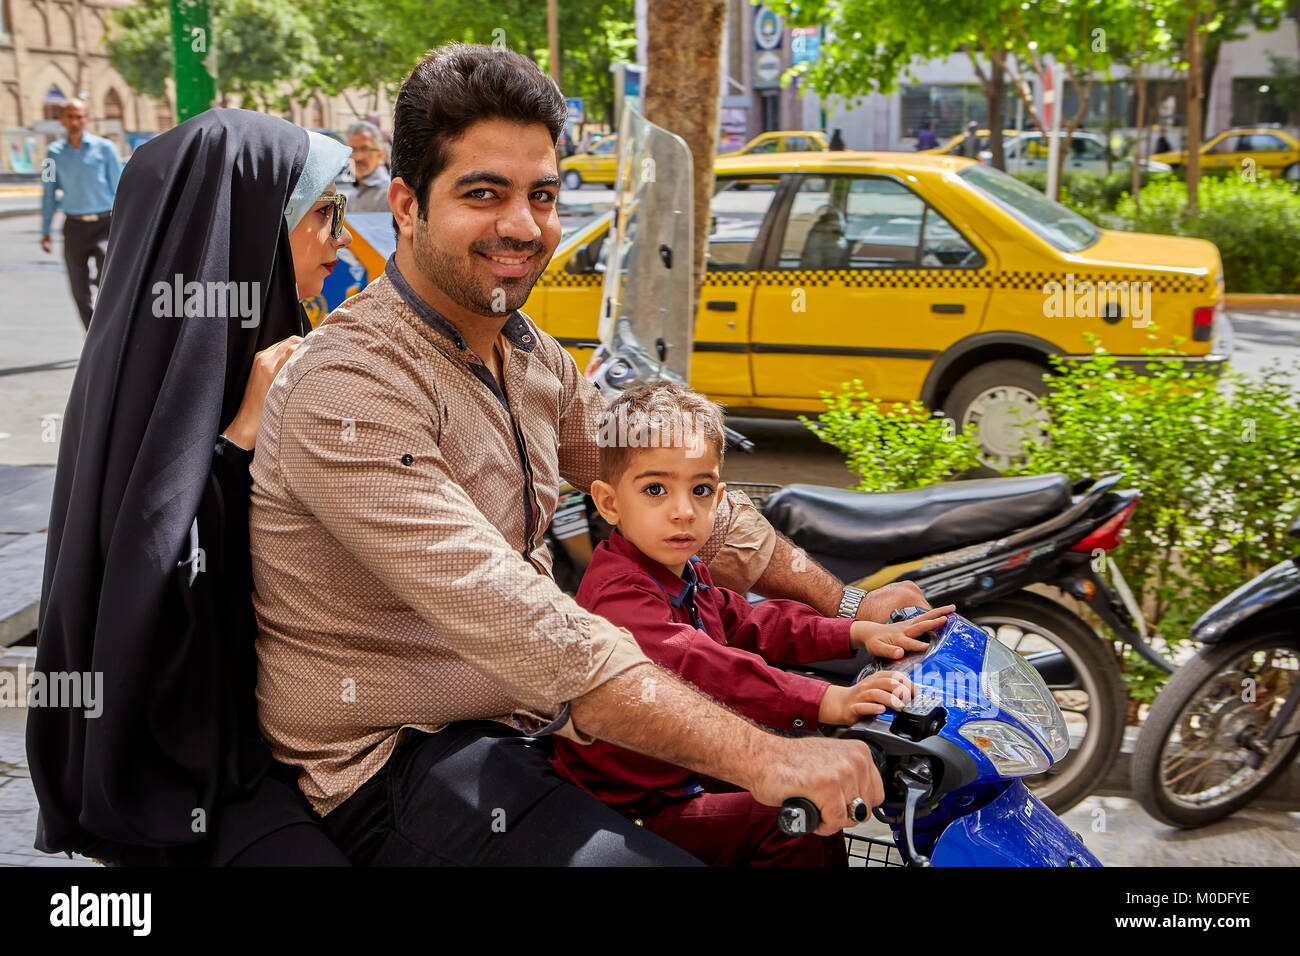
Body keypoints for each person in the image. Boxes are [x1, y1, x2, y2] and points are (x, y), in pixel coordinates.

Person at [249, 42, 927, 867]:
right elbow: (510, 611)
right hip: (396, 760)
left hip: (531, 723)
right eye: (482, 194)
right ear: (405, 203)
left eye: (542, 195)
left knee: (792, 834)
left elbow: (666, 477)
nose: (523, 226)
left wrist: (850, 609)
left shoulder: (532, 357)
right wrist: (770, 755)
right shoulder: (353, 385)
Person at [27, 109, 356, 866]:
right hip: (193, 776)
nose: (340, 240)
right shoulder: (175, 378)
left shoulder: (249, 343)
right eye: (325, 213)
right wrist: (239, 440)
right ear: (253, 230)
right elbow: (156, 584)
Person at [550, 383, 954, 866]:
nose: (683, 510)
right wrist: (828, 699)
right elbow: (710, 667)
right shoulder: (622, 593)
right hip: (637, 807)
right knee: (791, 822)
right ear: (609, 502)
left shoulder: (685, 569)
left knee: (820, 801)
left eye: (700, 490)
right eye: (655, 489)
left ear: (718, 498)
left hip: (691, 772)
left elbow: (749, 622)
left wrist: (853, 632)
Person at [39, 99, 125, 330]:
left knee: (108, 281)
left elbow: (119, 188)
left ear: (87, 119)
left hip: (105, 224)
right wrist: (46, 229)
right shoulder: (52, 153)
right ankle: (92, 335)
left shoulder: (104, 149)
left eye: (79, 116)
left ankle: (110, 332)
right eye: (69, 116)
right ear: (62, 119)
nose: (74, 121)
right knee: (78, 288)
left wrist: (127, 224)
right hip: (74, 227)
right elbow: (48, 192)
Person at [343, 120, 391, 212]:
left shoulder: (388, 194)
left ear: (380, 154)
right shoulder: (356, 190)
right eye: (352, 149)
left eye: (364, 149)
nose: (357, 157)